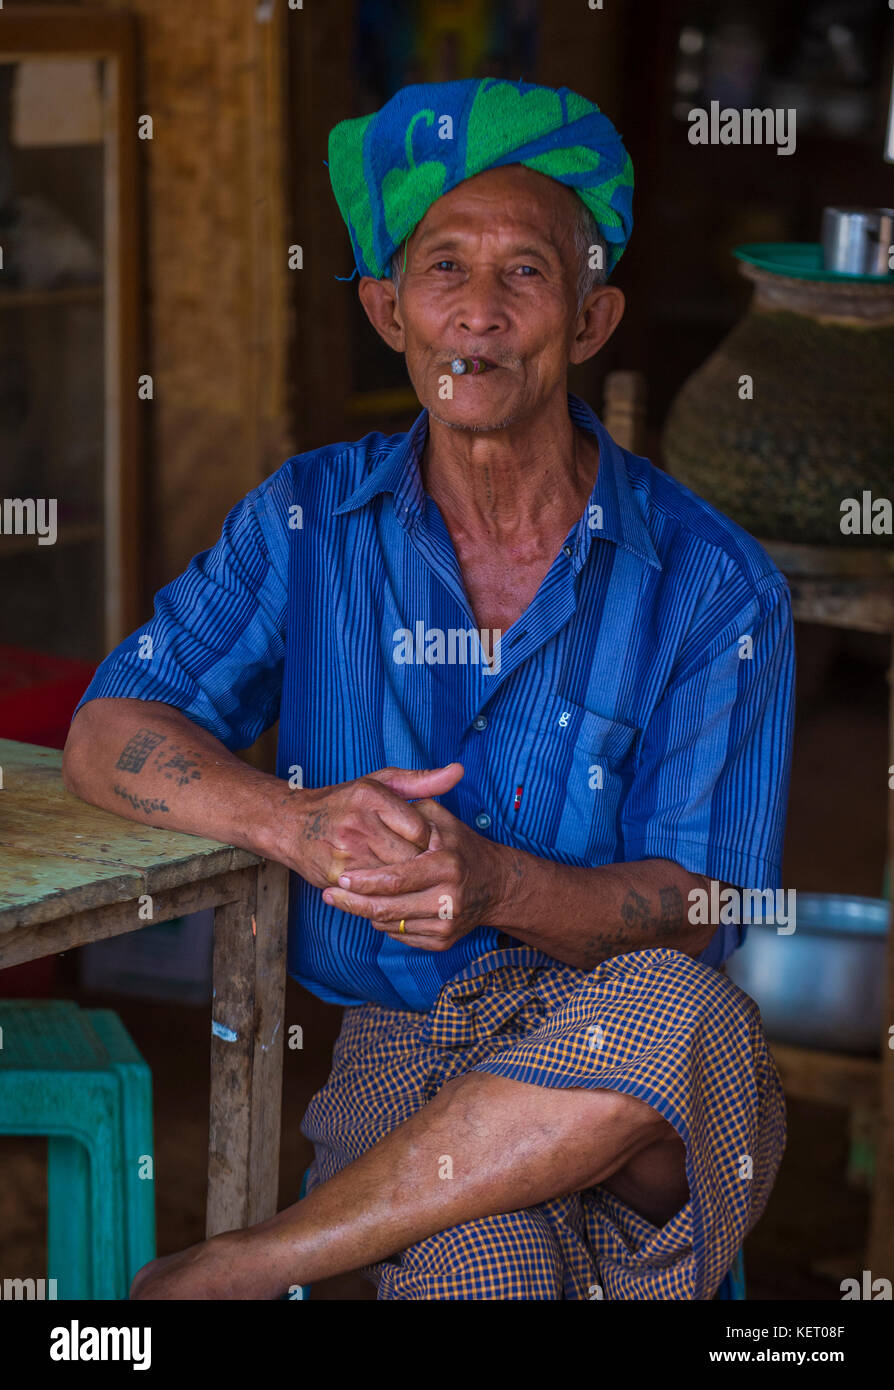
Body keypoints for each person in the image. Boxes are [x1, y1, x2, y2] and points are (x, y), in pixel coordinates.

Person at [64, 77, 794, 1300]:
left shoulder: (714, 583)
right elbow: (105, 731)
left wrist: (494, 884)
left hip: (630, 1101)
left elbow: (696, 905)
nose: (481, 314)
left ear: (593, 315)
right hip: (405, 1070)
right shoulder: (308, 521)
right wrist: (295, 822)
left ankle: (235, 1268)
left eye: (526, 273)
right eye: (444, 269)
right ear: (387, 308)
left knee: (685, 1003)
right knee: (487, 1277)